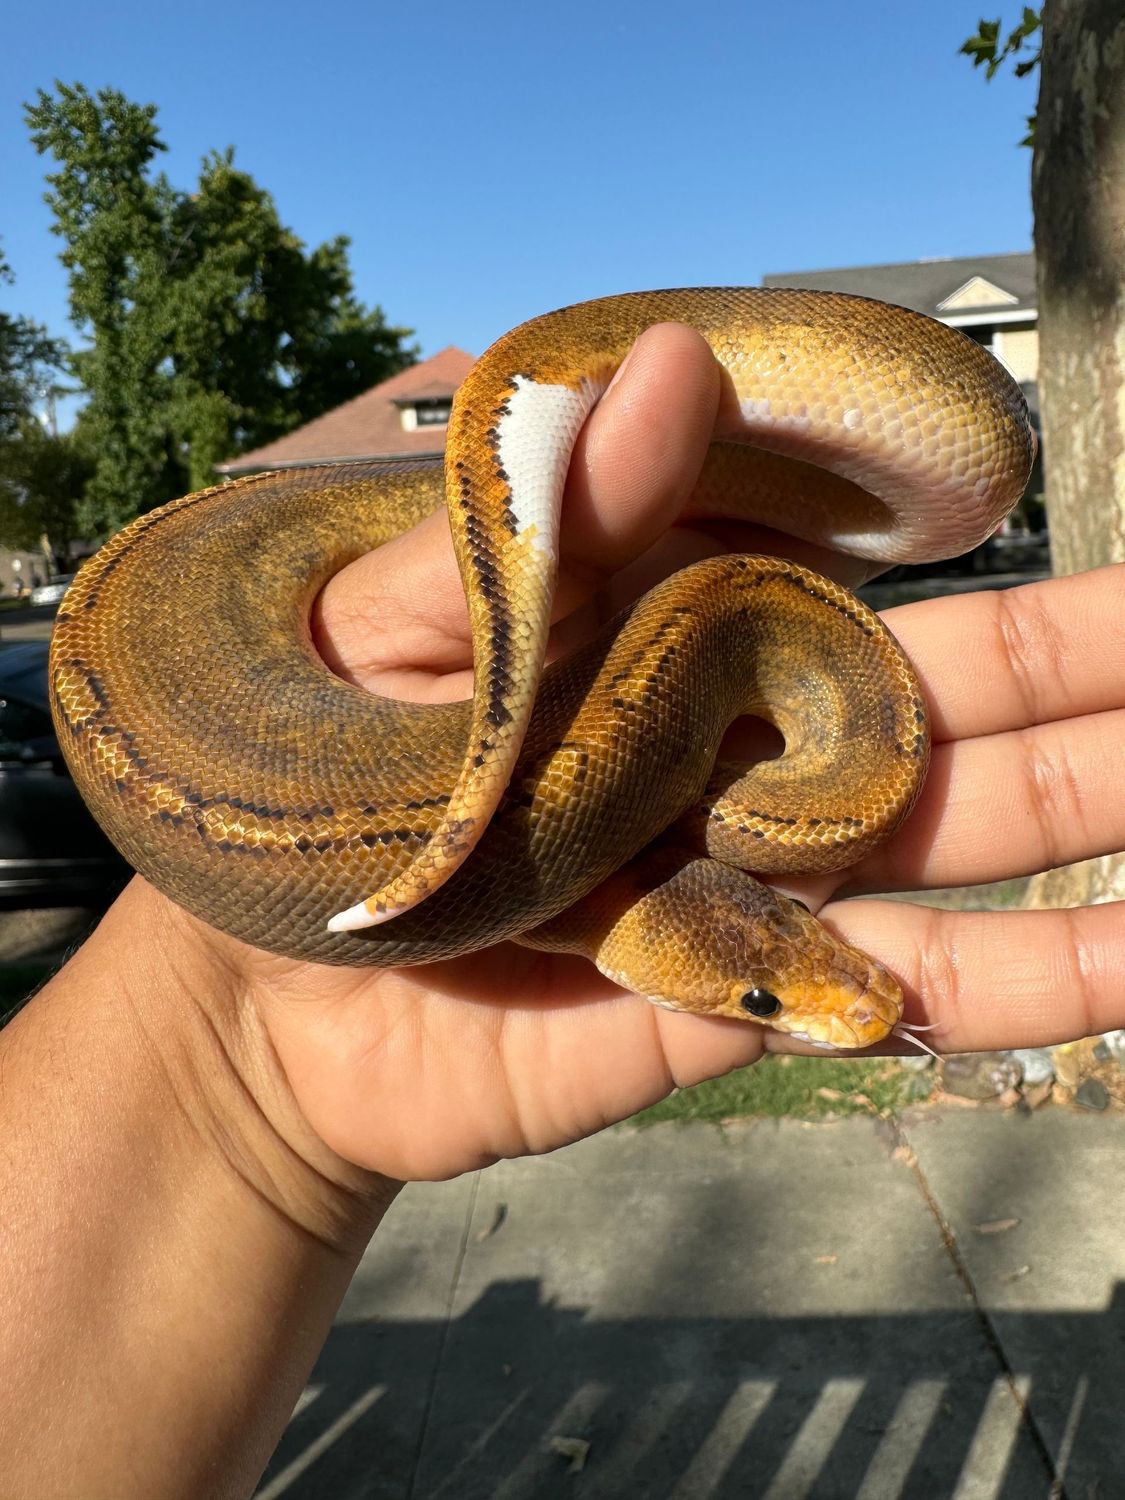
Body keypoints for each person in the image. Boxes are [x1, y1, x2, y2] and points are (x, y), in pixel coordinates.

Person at [2, 325, 1122, 1497]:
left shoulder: (693, 789)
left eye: (771, 985)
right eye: (759, 999)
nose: (824, 1011)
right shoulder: (638, 809)